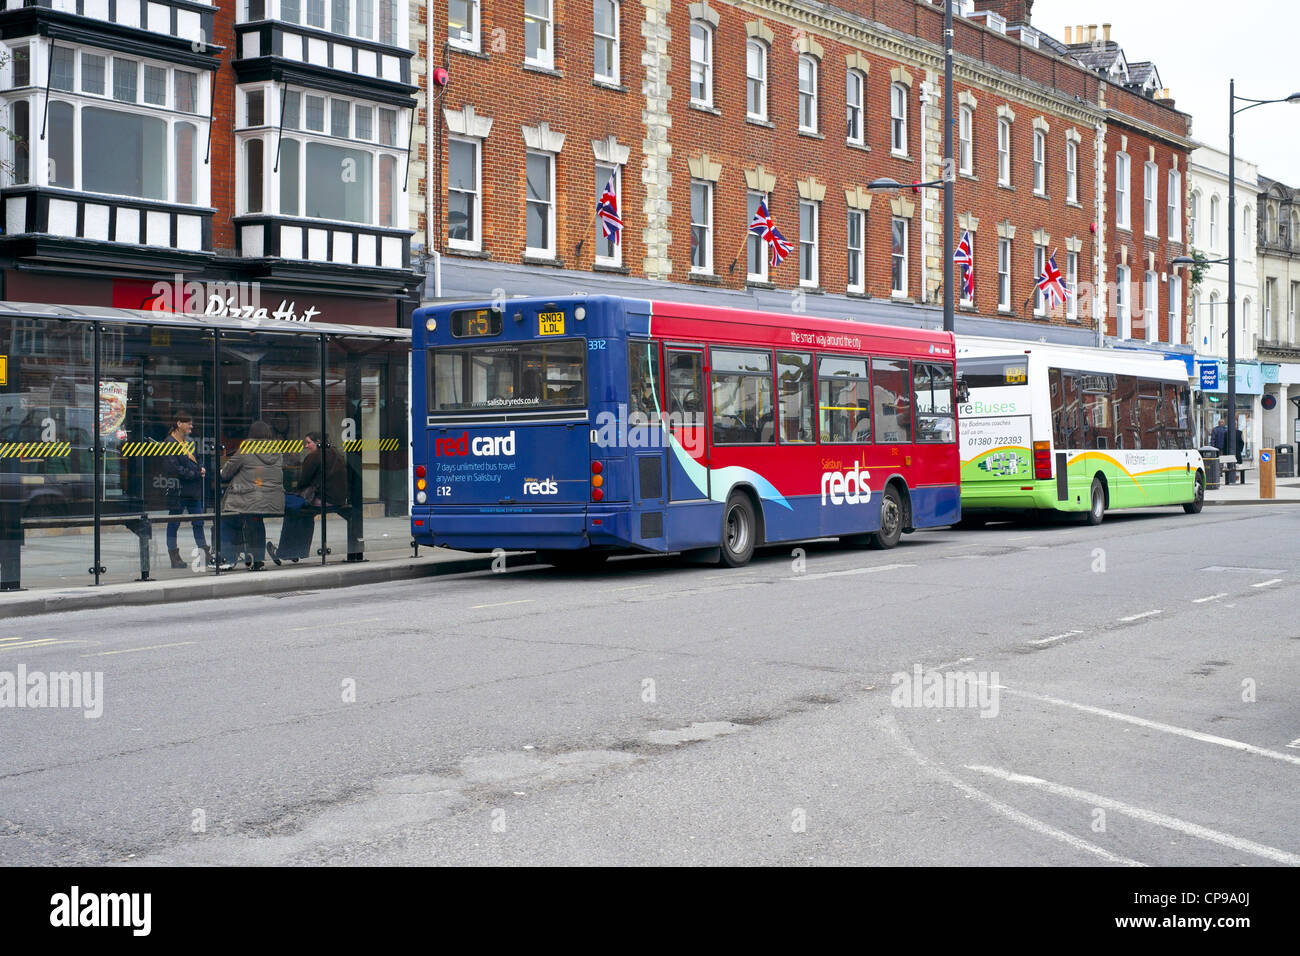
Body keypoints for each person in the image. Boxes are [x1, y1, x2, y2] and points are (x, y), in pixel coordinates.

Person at [267, 432, 347, 565]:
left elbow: (303, 481)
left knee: (293, 509)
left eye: (309, 442)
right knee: (304, 513)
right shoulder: (337, 455)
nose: (306, 446)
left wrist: (295, 490)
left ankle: (285, 552)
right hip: (337, 500)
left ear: (317, 442)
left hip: (323, 499)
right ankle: (297, 551)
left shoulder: (314, 457)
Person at [218, 420, 283, 570]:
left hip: (247, 498)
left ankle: (228, 559)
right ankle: (258, 561)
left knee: (227, 520)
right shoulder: (277, 452)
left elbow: (226, 473)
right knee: (256, 522)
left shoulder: (246, 450)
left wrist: (221, 472)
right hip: (270, 499)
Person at [162, 410, 209, 569]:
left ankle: (204, 555)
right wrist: (196, 473)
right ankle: (174, 557)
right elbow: (174, 469)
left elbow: (198, 459)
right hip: (179, 490)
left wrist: (201, 468)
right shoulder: (169, 443)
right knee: (174, 523)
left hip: (193, 489)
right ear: (179, 424)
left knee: (198, 522)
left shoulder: (189, 442)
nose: (191, 426)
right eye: (188, 423)